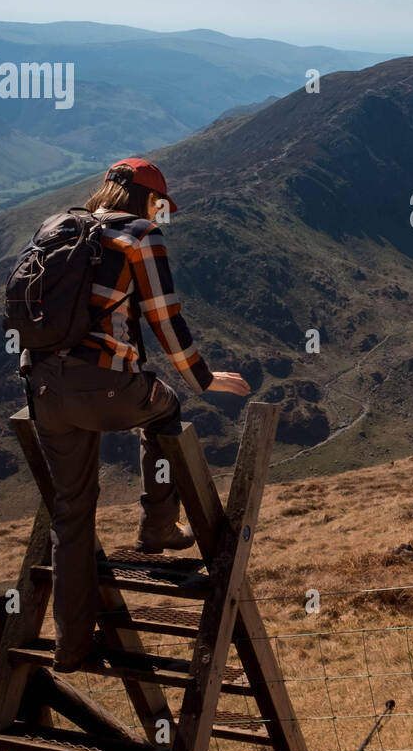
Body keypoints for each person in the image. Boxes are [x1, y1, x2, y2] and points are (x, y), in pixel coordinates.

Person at [20, 157, 250, 672]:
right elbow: (165, 321)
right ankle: (157, 526)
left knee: (71, 513)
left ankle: (71, 646)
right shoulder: (140, 236)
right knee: (165, 406)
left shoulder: (59, 229)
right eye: (160, 204)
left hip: (43, 387)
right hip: (103, 384)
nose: (162, 214)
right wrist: (205, 380)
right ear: (146, 199)